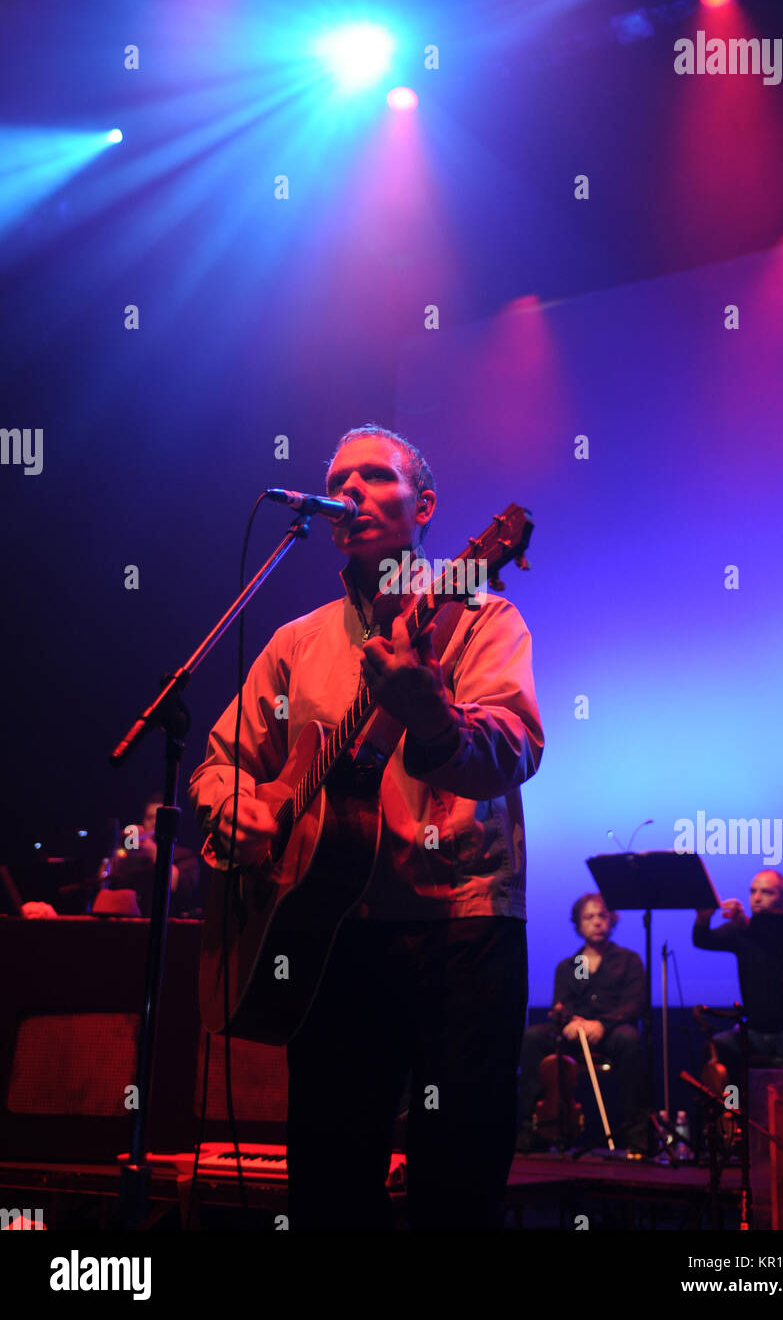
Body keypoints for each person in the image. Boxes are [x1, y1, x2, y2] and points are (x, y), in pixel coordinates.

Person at [188, 424, 544, 1230]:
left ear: (423, 506)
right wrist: (236, 806)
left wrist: (431, 718)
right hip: (333, 941)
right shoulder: (294, 644)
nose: (348, 492)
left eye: (372, 477)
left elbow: (514, 752)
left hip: (461, 929)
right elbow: (218, 765)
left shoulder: (480, 615)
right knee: (328, 1189)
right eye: (337, 480)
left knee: (455, 1188)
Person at [516, 893, 648, 1154]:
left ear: (611, 919)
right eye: (589, 917)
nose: (597, 922)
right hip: (576, 1036)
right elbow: (561, 1005)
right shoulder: (570, 965)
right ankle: (532, 1132)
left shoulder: (627, 960)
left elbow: (634, 1004)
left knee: (630, 1040)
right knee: (532, 1038)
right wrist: (567, 1022)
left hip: (610, 1032)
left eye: (602, 915)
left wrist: (601, 1024)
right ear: (578, 924)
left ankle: (638, 1136)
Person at [693, 870, 783, 1083]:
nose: (757, 897)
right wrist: (703, 918)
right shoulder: (741, 930)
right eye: (753, 891)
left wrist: (747, 923)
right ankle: (731, 1109)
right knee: (716, 1049)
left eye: (767, 892)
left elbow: (774, 944)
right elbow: (703, 940)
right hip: (754, 1031)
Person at [107, 795, 202, 918]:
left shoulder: (186, 855)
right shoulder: (133, 854)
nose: (154, 822)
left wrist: (153, 852)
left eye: (159, 818)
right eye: (149, 818)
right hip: (130, 922)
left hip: (169, 923)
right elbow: (107, 880)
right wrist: (120, 850)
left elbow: (178, 887)